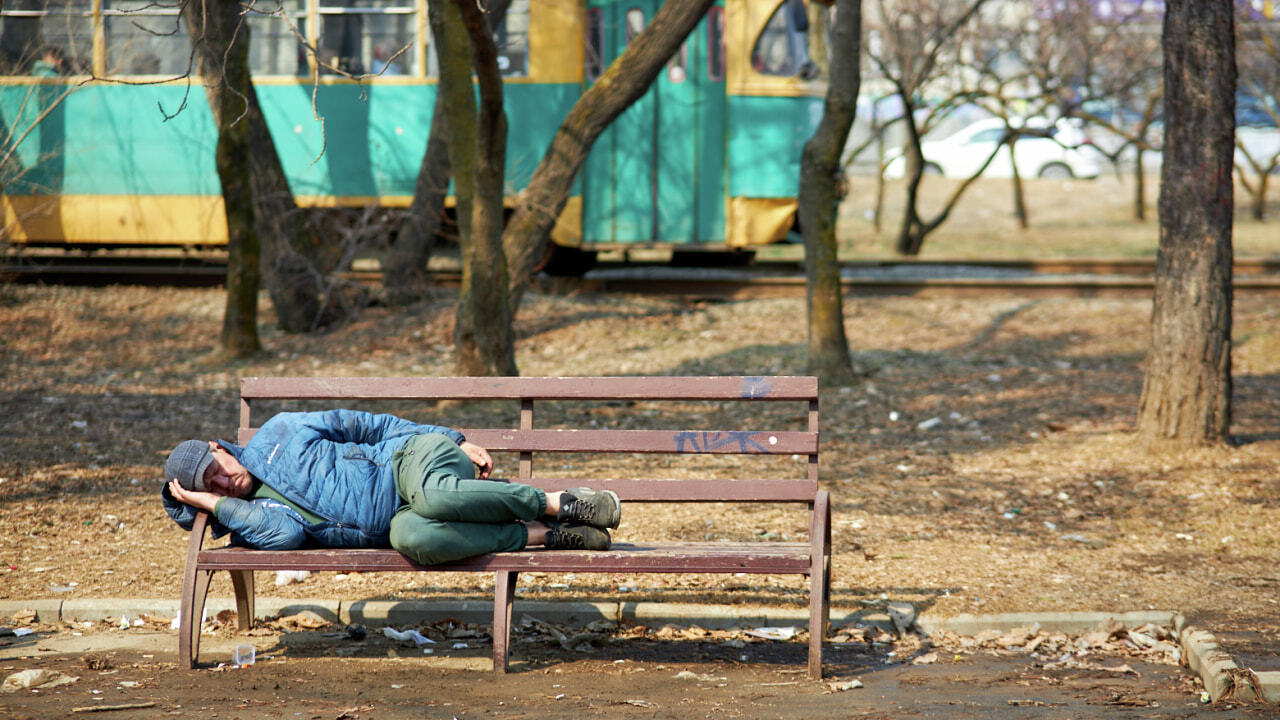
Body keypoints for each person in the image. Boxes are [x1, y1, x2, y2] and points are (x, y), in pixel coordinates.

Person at [161, 409, 620, 565]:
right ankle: (544, 534)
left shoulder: (280, 432)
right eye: (213, 487)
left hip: (407, 462)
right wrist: (211, 504)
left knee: (435, 495)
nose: (225, 481)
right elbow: (287, 537)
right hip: (395, 520)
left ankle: (560, 503)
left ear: (218, 446)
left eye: (217, 467)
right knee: (414, 540)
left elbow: (370, 425)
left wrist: (453, 437)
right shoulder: (252, 518)